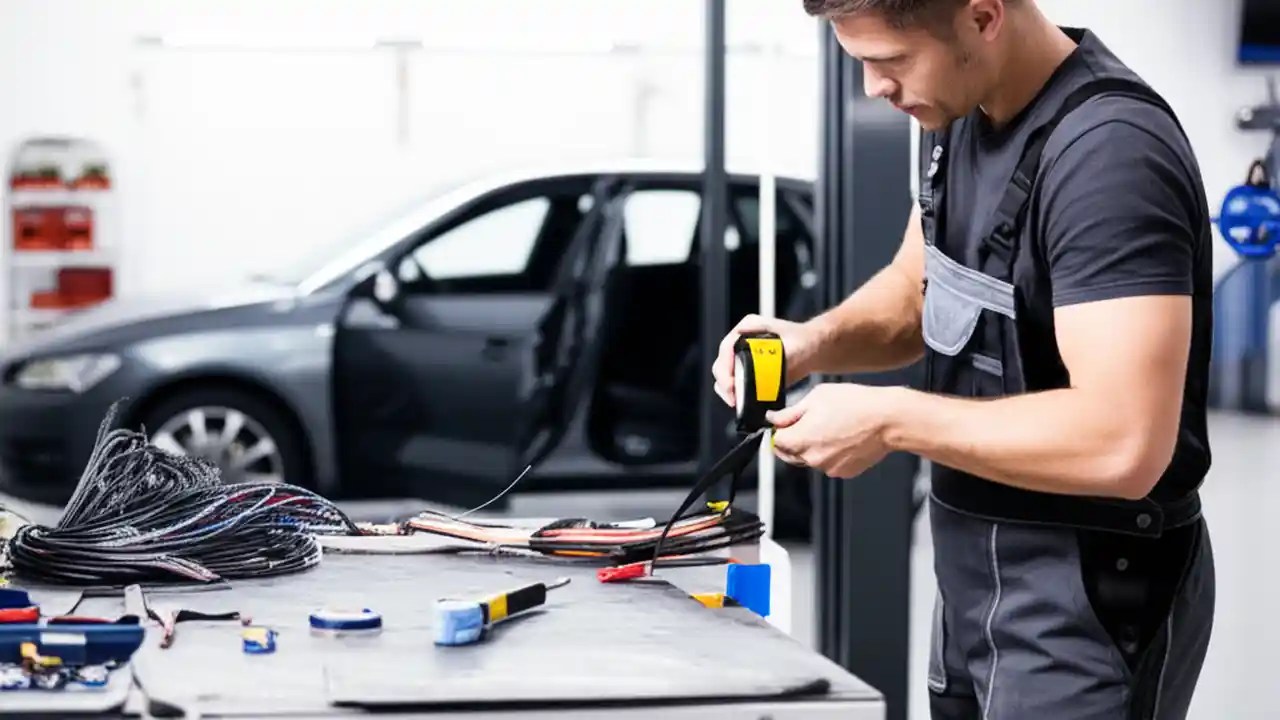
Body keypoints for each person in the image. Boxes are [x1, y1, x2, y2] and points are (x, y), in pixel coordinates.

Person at [713, 1, 1215, 717]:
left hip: (1086, 602)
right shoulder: (955, 116)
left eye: (889, 61)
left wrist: (888, 420)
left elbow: (1125, 441)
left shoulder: (1110, 156)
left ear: (982, 17)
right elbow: (916, 294)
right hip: (975, 583)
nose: (872, 89)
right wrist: (810, 343)